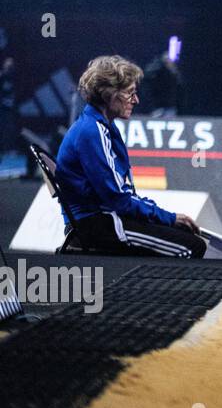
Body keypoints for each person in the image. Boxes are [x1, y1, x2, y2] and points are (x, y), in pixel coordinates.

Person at [55, 55, 206, 258]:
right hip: (97, 225)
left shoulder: (101, 126)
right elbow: (118, 200)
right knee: (191, 247)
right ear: (108, 94)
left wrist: (166, 218)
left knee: (185, 236)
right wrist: (168, 218)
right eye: (130, 93)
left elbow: (122, 195)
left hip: (102, 218)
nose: (136, 100)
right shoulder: (92, 132)